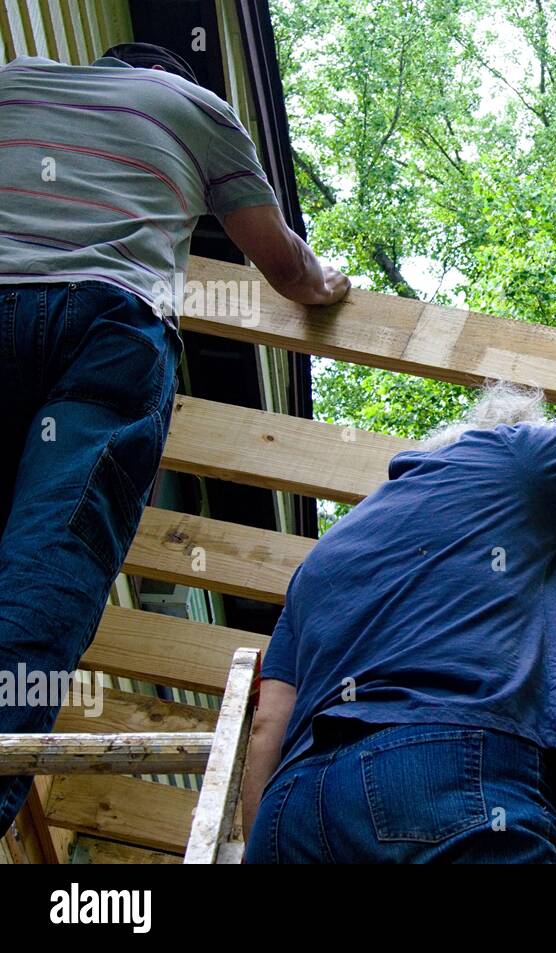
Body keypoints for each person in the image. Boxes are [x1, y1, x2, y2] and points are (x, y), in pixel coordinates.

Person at [0, 42, 349, 832]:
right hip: (105, 323)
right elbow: (285, 266)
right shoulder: (194, 108)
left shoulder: (15, 81)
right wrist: (332, 284)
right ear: (170, 75)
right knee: (50, 551)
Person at [241, 383, 556, 863]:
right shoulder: (515, 450)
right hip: (441, 775)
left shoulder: (320, 558)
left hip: (291, 813)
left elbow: (268, 725)